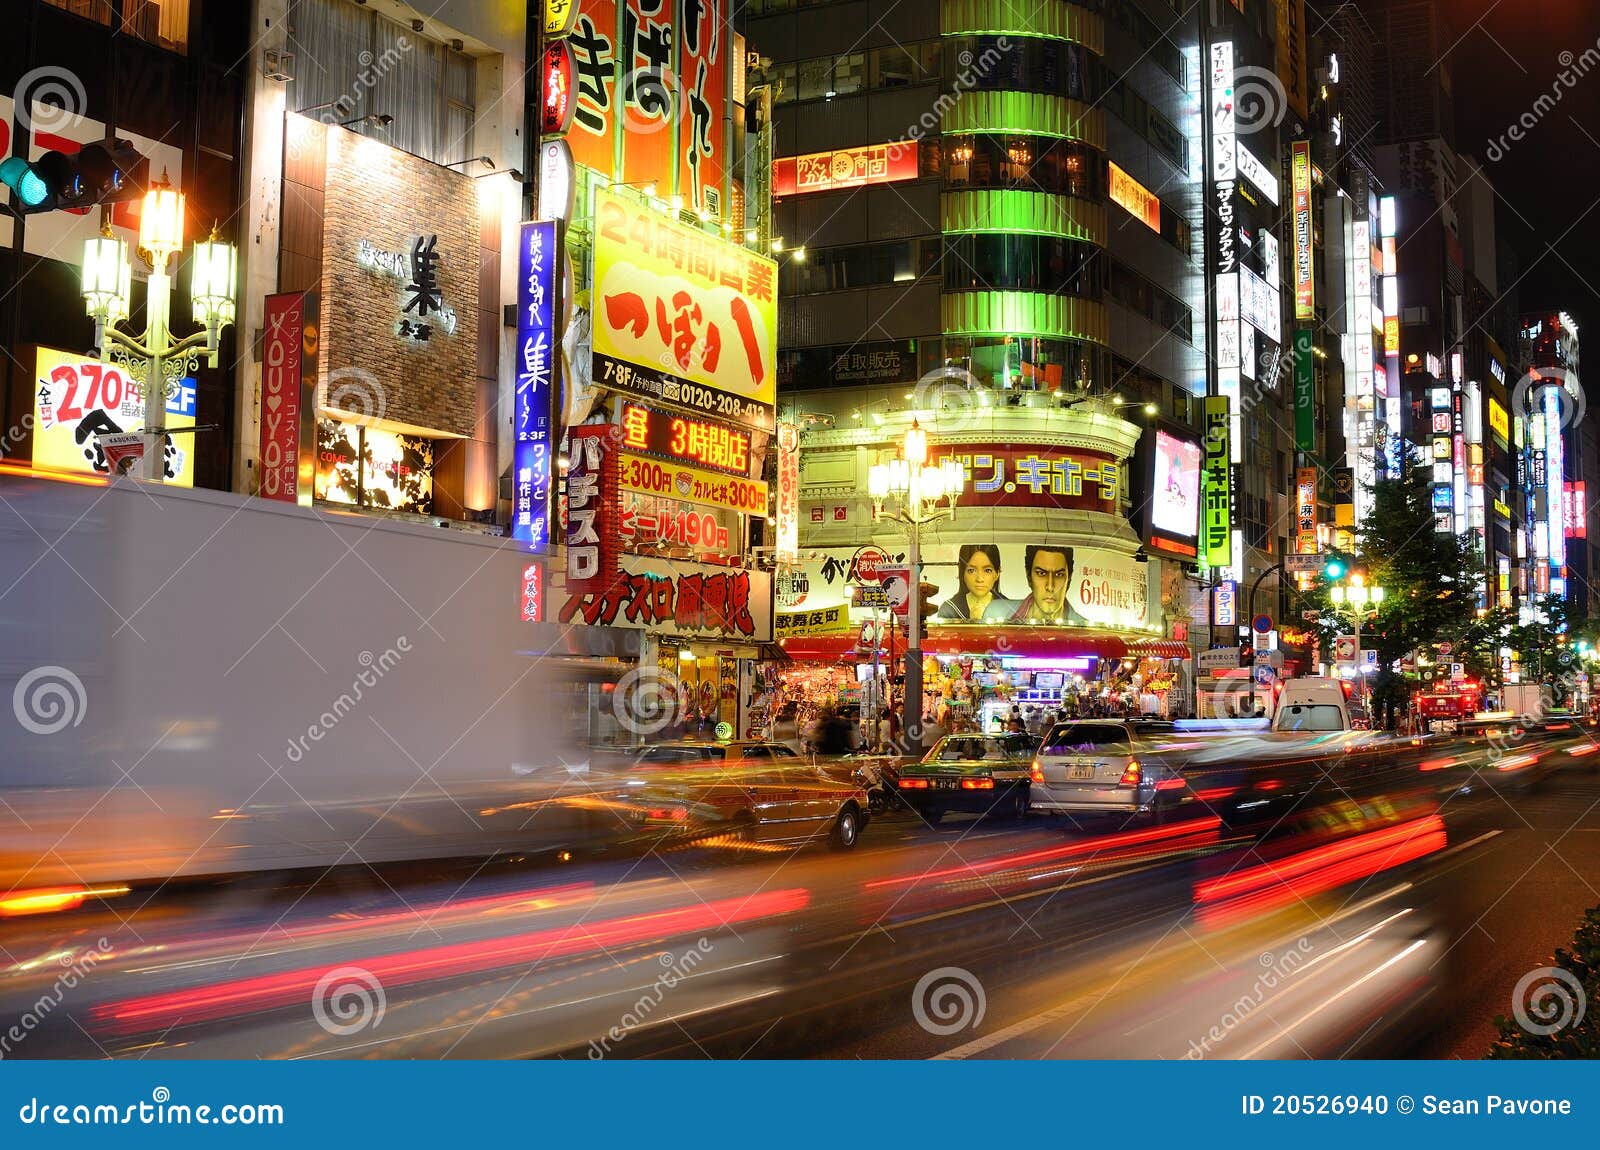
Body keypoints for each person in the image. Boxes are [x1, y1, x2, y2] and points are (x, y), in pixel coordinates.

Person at [935, 544, 1018, 621]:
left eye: (987, 570)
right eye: (971, 570)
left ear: (997, 573)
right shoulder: (949, 610)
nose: (980, 579)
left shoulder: (1009, 609)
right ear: (962, 573)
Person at [1010, 545, 1090, 625]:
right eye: (1041, 573)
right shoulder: (1000, 611)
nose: (1050, 587)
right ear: (1029, 577)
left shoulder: (1087, 631)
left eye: (1059, 575)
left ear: (1069, 579)